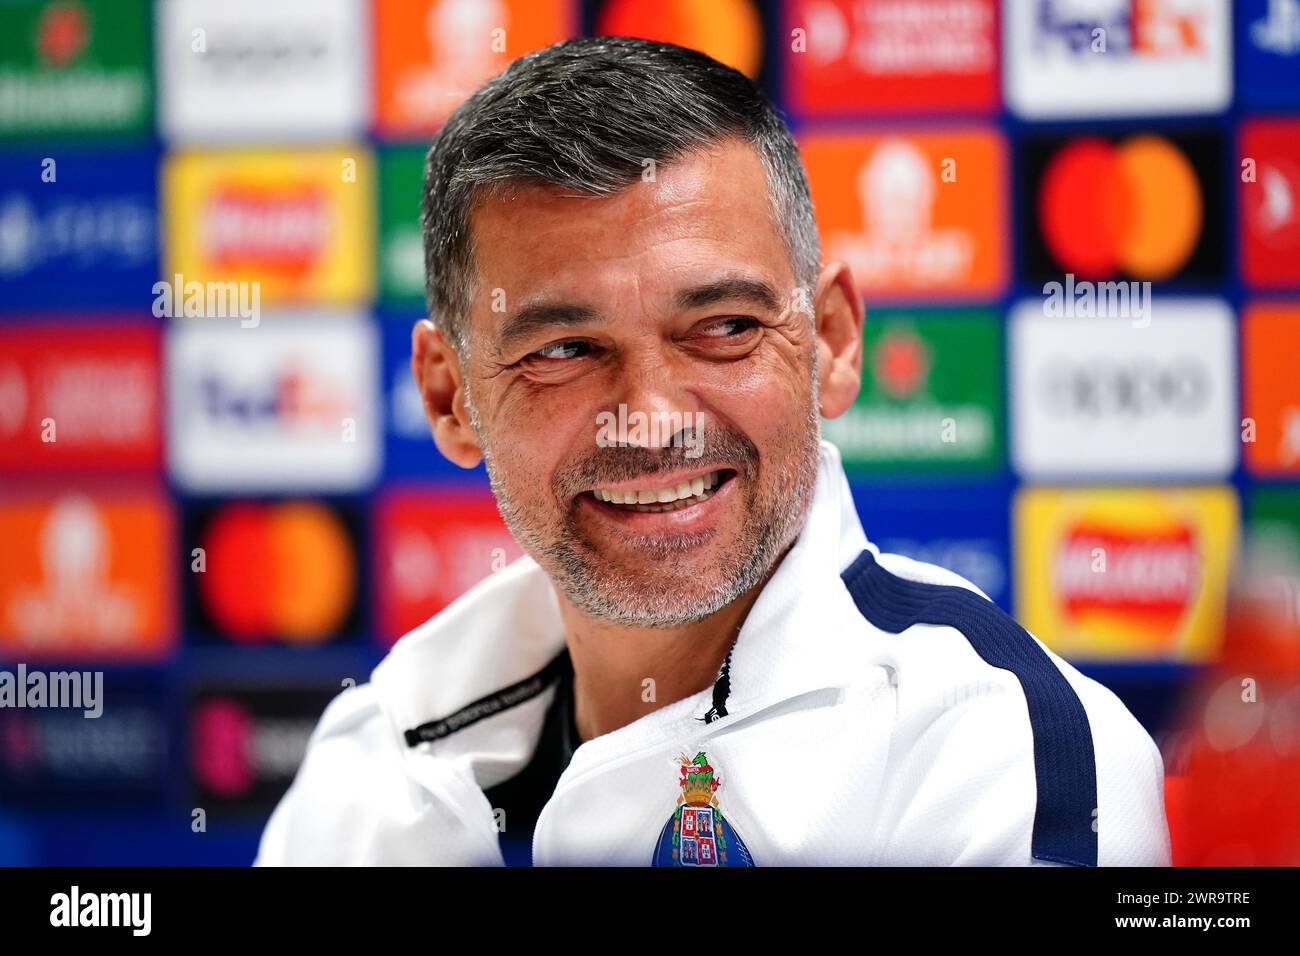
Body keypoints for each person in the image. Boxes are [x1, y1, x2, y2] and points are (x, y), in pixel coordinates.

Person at [254, 36, 1170, 867]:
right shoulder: (368, 773)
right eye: (564, 350)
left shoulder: (999, 762)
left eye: (724, 327)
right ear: (450, 396)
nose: (649, 421)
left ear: (833, 342)